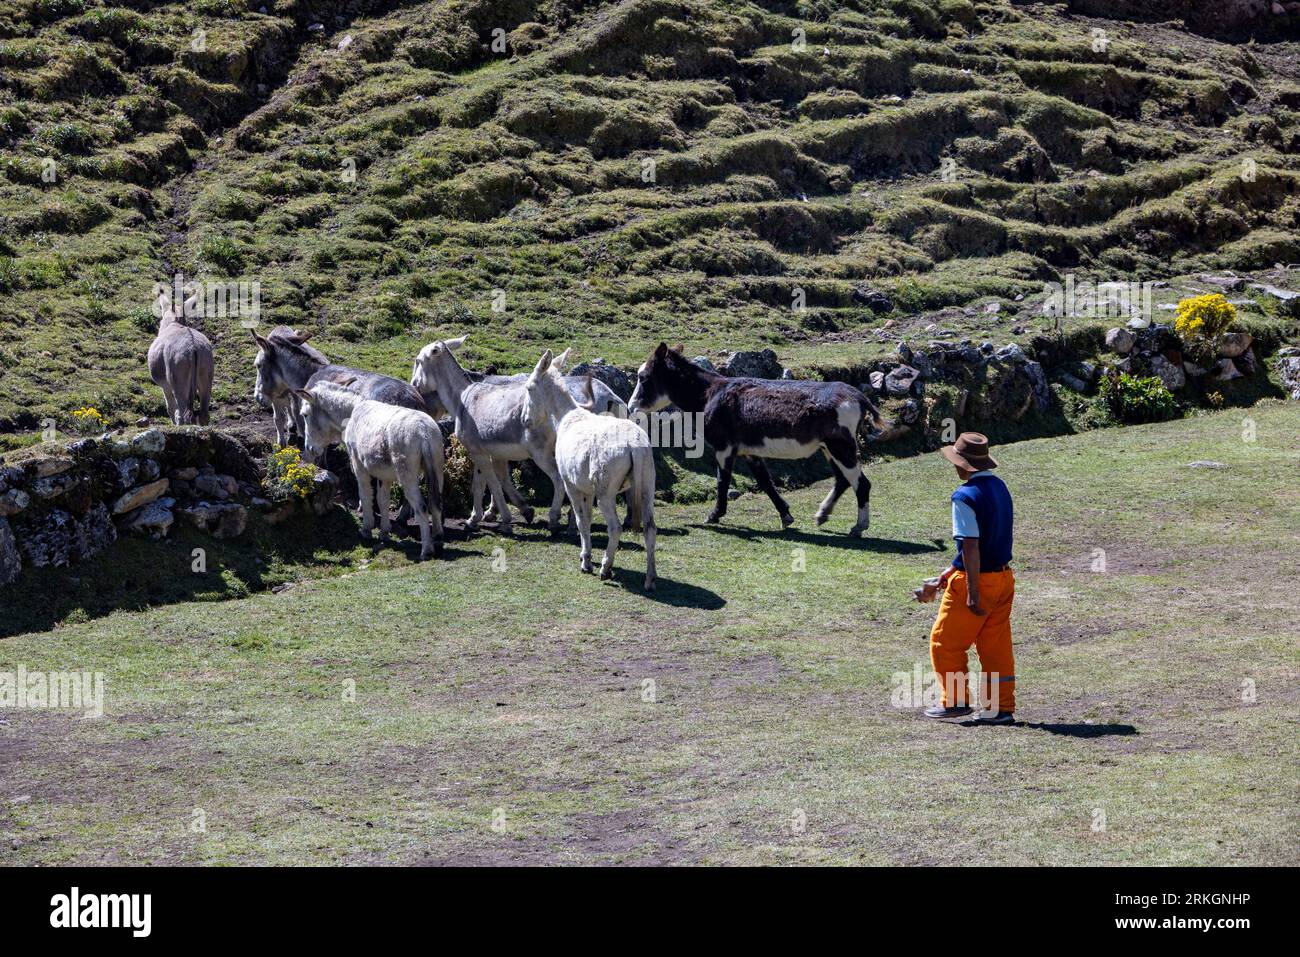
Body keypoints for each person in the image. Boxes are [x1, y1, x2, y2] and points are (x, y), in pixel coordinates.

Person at [915, 432, 1016, 724]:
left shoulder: (964, 496)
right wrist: (949, 571)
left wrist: (971, 590)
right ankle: (1000, 708)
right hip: (1003, 579)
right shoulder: (999, 486)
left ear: (963, 465)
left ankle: (956, 702)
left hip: (977, 581)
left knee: (945, 642)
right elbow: (988, 541)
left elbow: (971, 546)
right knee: (995, 646)